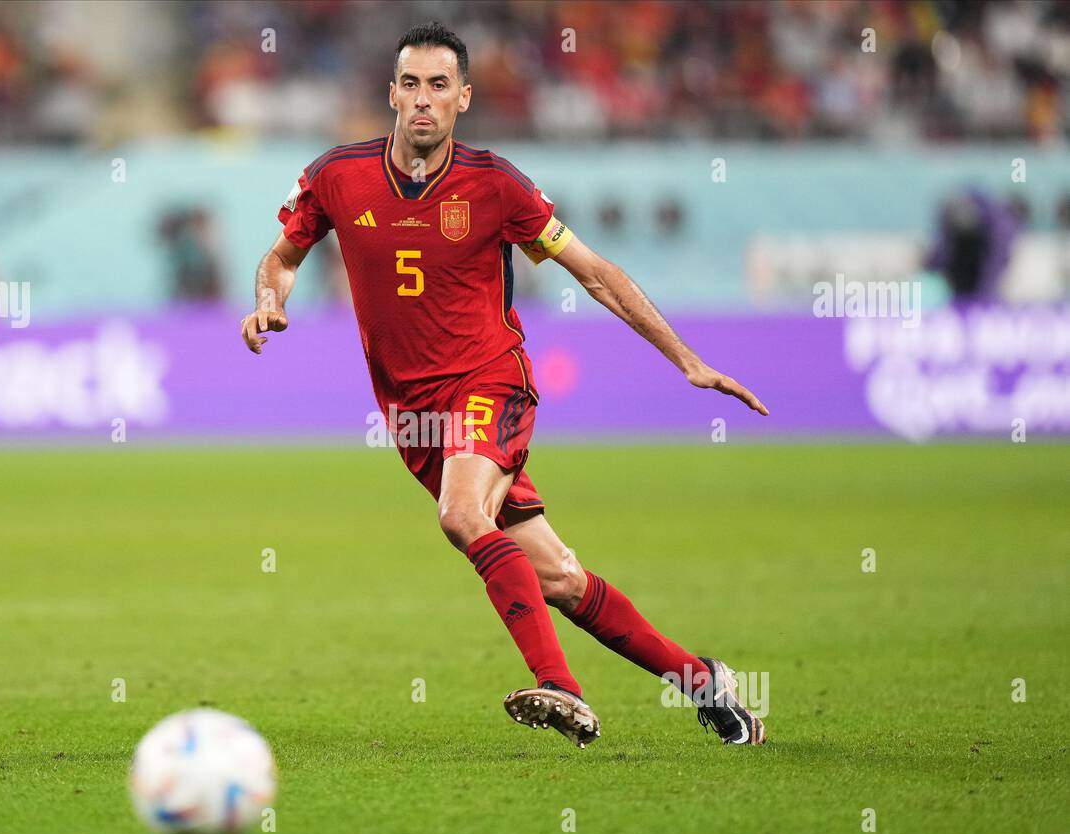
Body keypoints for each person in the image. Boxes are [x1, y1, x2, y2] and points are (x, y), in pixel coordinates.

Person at [242, 22, 769, 748]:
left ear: (463, 98)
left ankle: (562, 689)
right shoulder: (337, 175)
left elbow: (595, 273)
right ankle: (703, 682)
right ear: (391, 93)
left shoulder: (497, 186)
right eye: (409, 84)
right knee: (558, 578)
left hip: (492, 384)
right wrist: (272, 299)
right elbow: (282, 257)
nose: (422, 100)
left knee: (462, 517)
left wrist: (685, 358)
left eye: (438, 86)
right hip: (415, 419)